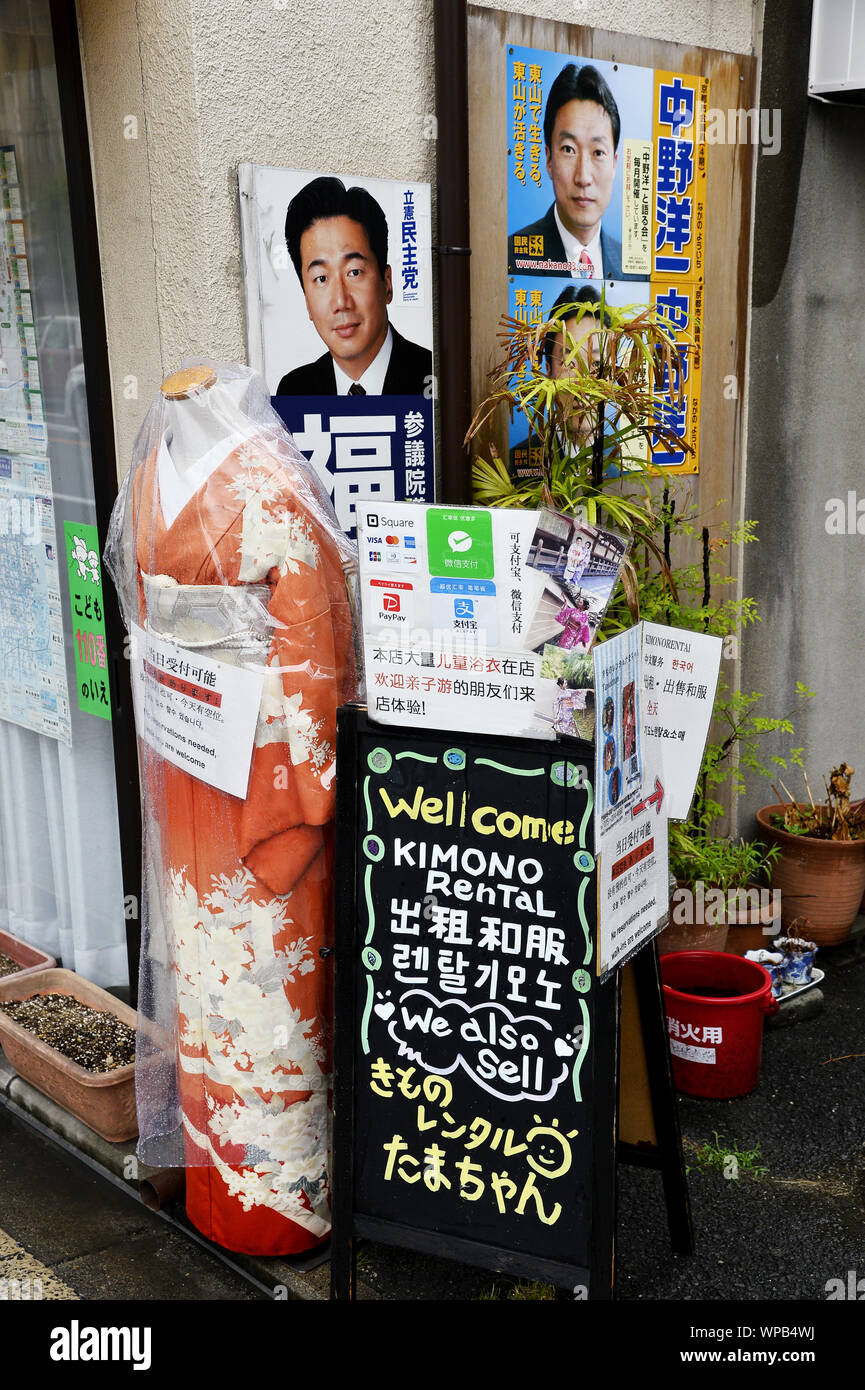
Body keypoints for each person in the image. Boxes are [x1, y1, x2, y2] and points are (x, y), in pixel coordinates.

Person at [276, 177, 432, 397]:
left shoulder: (432, 375)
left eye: (354, 272)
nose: (341, 301)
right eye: (321, 278)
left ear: (387, 283)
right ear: (307, 302)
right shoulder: (295, 391)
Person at [508, 62, 641, 281]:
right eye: (568, 150)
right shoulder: (509, 256)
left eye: (598, 152)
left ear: (615, 164)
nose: (583, 177)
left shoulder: (635, 271)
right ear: (549, 159)